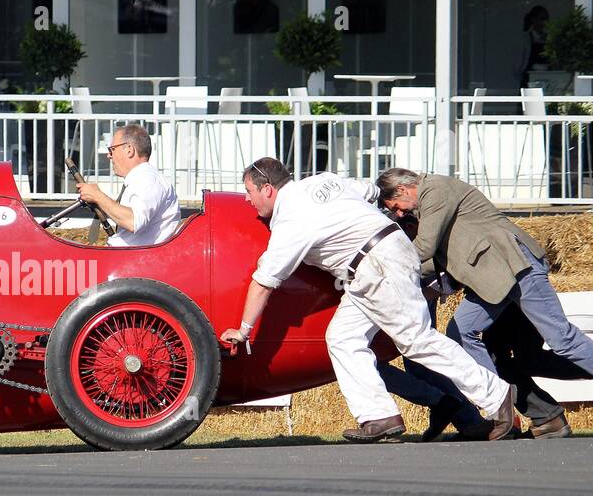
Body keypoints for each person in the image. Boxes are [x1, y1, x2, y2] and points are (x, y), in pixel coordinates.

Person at [219, 158, 516, 443]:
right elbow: (370, 191)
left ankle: (496, 396)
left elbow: (264, 281)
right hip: (373, 264)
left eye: (249, 192)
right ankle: (379, 416)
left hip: (376, 266)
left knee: (417, 340)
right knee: (343, 338)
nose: (247, 200)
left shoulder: (290, 222)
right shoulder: (322, 181)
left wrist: (243, 329)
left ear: (267, 188)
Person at [376, 168, 593, 436]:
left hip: (516, 266)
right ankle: (500, 408)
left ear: (402, 188)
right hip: (491, 279)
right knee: (461, 334)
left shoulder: (433, 190)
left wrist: (378, 267)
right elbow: (434, 263)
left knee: (562, 338)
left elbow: (424, 248)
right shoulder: (425, 202)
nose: (400, 213)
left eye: (397, 205)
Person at [75, 124, 180, 247]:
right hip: (128, 258)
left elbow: (133, 221)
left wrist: (98, 196)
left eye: (112, 149)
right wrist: (99, 204)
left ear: (129, 149)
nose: (109, 155)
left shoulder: (146, 178)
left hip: (133, 262)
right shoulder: (141, 178)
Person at [519, 5, 549, 90]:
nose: (545, 22)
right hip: (529, 79)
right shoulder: (525, 38)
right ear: (533, 19)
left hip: (548, 80)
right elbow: (518, 64)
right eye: (542, 19)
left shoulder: (549, 38)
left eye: (546, 19)